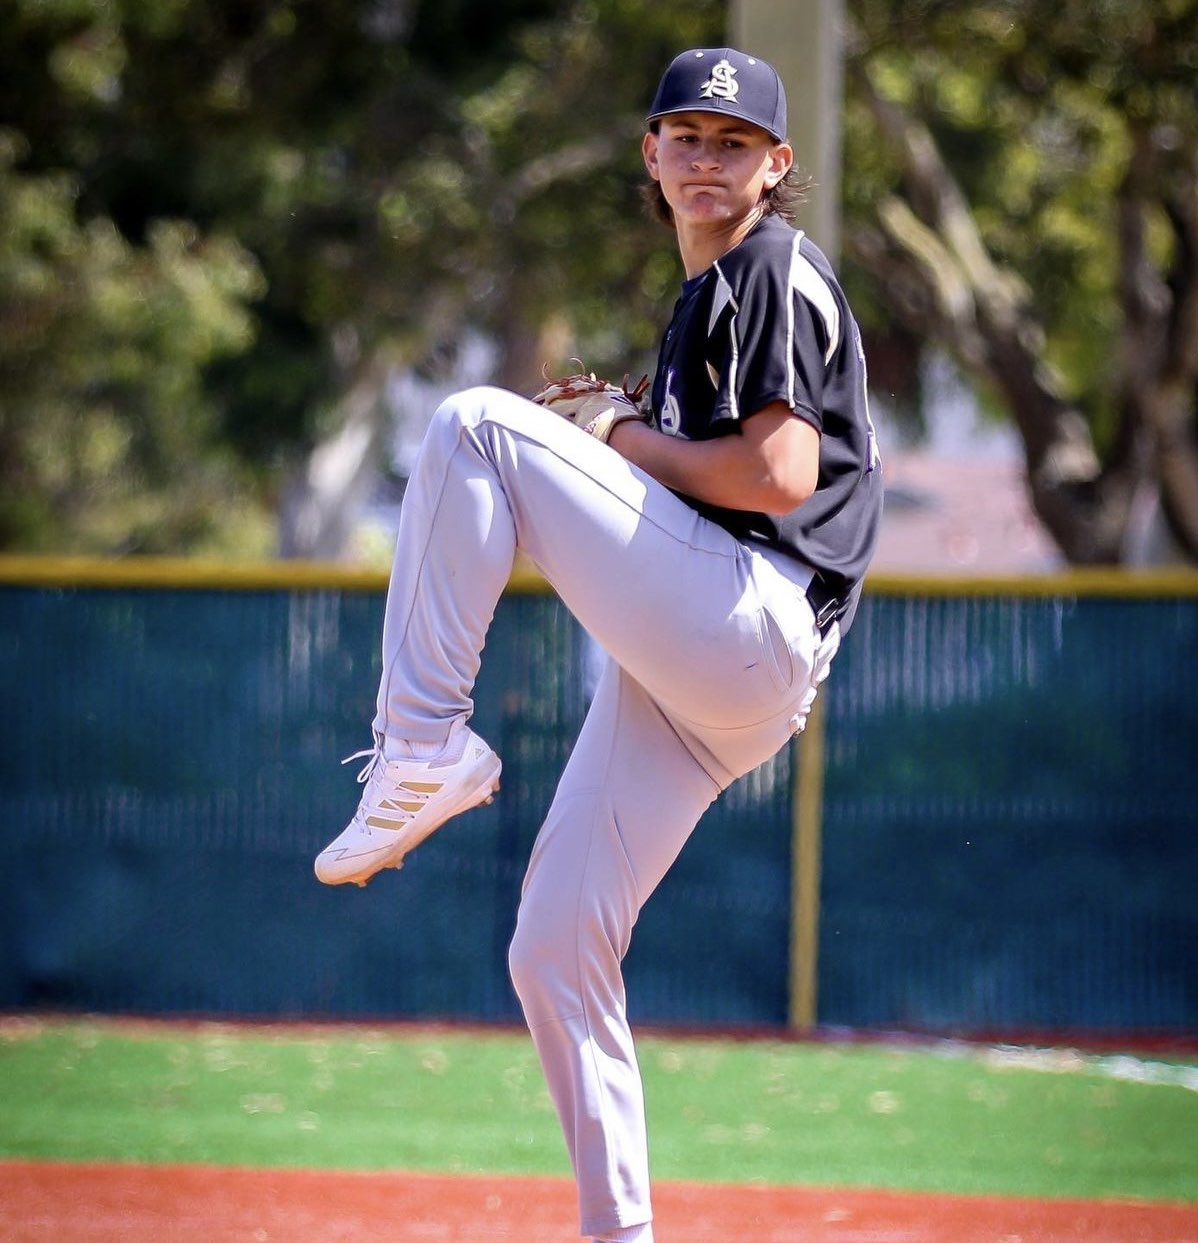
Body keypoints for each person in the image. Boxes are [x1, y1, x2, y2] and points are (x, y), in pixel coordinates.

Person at [314, 46, 882, 1243]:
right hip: (706, 680)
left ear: (779, 166)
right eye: (687, 135)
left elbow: (779, 474)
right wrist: (633, 429)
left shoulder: (769, 265)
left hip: (754, 617)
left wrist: (618, 435)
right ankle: (618, 1232)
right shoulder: (700, 305)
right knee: (555, 942)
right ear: (652, 154)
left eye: (735, 143)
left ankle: (421, 743)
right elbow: (706, 480)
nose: (707, 158)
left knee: (476, 423)